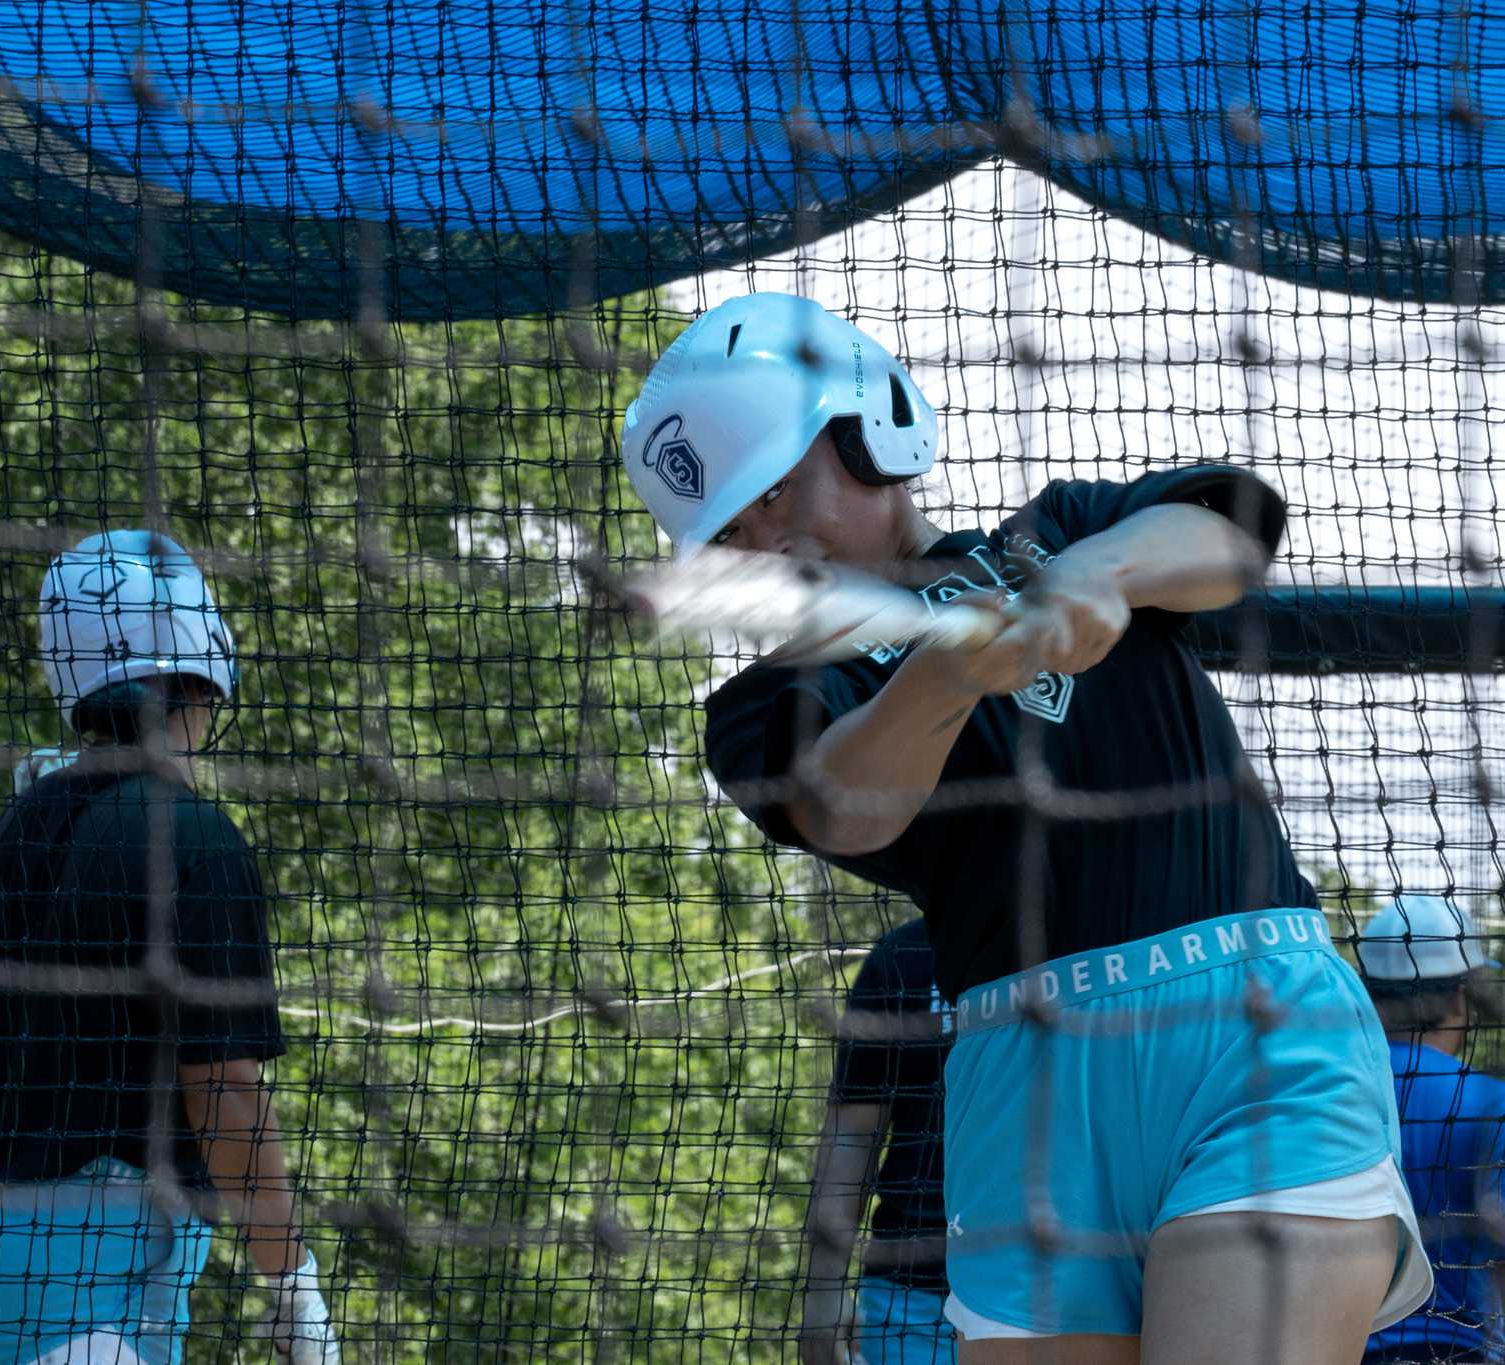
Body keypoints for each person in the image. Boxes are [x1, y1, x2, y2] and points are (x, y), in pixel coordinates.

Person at [621, 291, 1432, 1364]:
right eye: (729, 531)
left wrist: (1095, 572)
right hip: (1027, 1087)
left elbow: (1225, 534)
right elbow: (844, 809)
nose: (766, 539)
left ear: (868, 434)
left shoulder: (1048, 530)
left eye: (775, 490)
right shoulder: (763, 705)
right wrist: (943, 674)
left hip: (1248, 1031)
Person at [0, 530, 339, 1365]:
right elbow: (223, 1093)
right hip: (88, 1278)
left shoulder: (22, 824)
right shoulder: (192, 838)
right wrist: (293, 1284)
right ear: (199, 663)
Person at [1358, 895, 1505, 1365]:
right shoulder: (1487, 1099)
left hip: (1338, 1340)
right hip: (1456, 1346)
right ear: (1461, 994)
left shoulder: (1325, 1091)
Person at [804, 917, 955, 1365]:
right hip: (911, 1300)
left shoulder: (1088, 935)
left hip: (1064, 1290)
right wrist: (822, 1295)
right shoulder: (904, 954)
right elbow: (852, 1133)